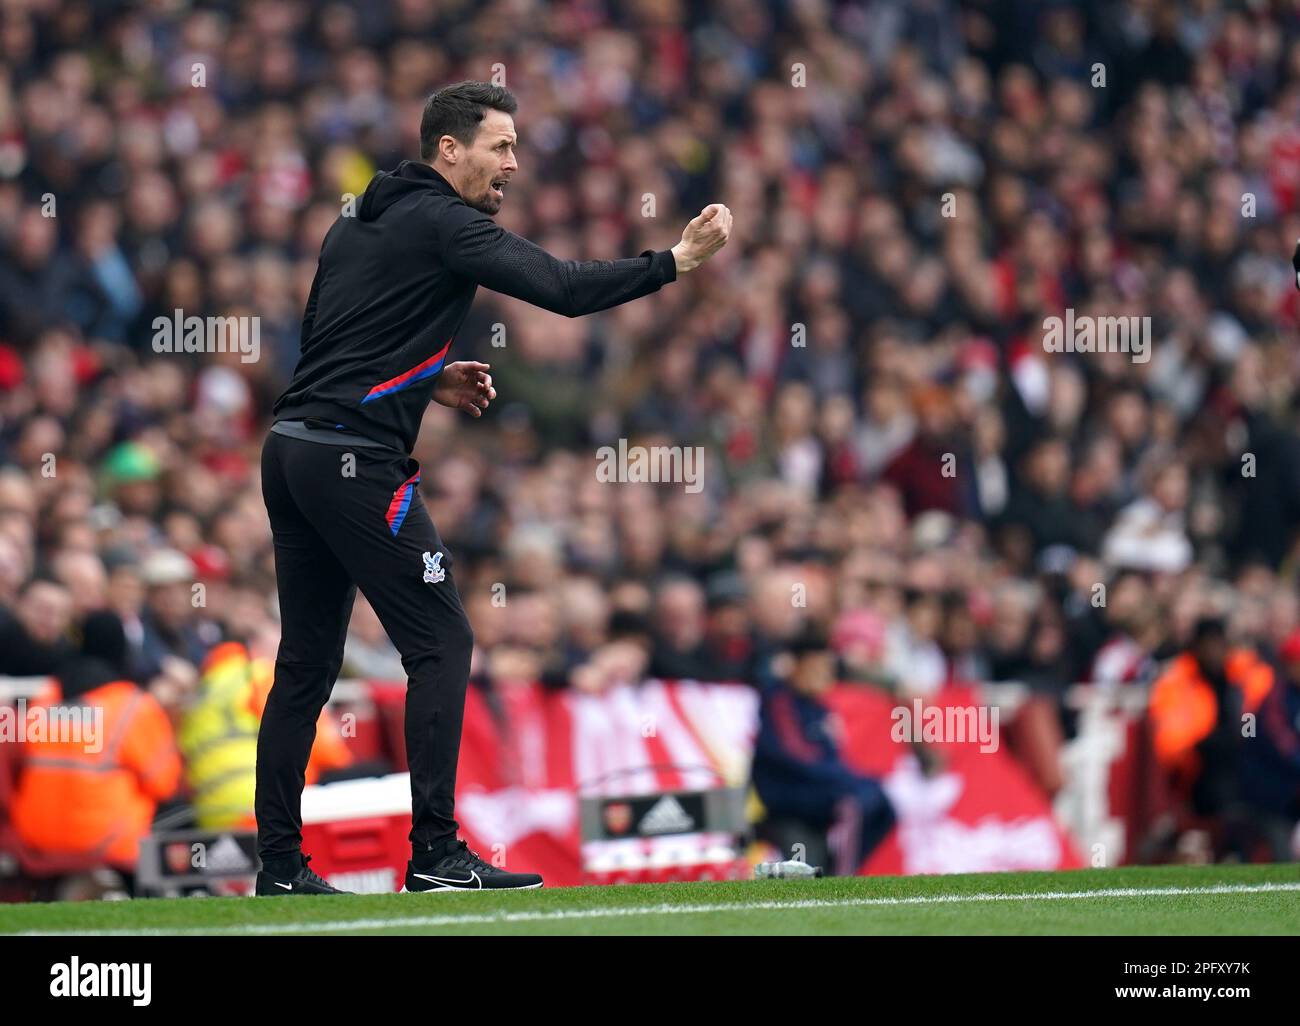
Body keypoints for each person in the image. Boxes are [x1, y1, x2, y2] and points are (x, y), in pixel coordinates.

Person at [255, 80, 731, 895]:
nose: (513, 162)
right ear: (450, 150)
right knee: (442, 641)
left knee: (305, 665)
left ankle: (278, 869)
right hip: (355, 462)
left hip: (293, 449)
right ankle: (438, 855)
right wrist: (675, 262)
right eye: (500, 146)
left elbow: (333, 337)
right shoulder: (449, 221)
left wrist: (425, 377)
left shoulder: (355, 219)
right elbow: (565, 289)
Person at [10, 611, 182, 878]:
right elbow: (165, 783)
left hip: (36, 840)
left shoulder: (45, 696)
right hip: (106, 842)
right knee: (181, 811)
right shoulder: (132, 705)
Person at [750, 627, 897, 876]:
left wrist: (853, 778)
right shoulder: (780, 702)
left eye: (827, 669)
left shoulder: (818, 708)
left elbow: (830, 757)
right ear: (796, 666)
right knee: (856, 802)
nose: (824, 676)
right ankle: (843, 877)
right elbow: (798, 757)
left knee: (882, 802)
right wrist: (846, 779)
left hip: (818, 794)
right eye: (817, 668)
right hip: (791, 800)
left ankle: (849, 867)